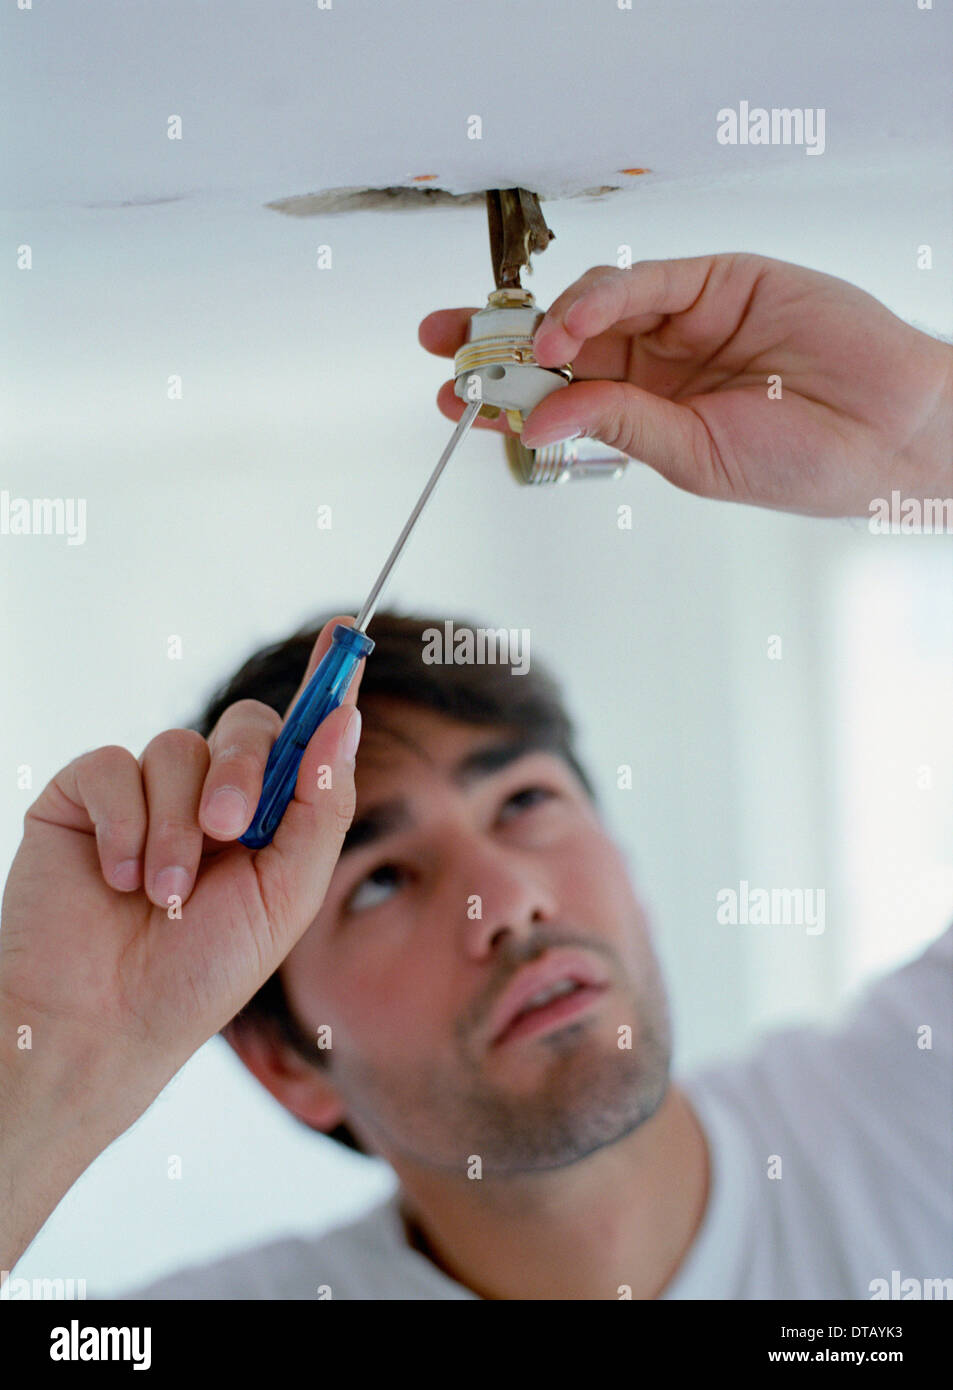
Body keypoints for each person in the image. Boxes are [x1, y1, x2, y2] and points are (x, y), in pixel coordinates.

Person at [1, 253, 950, 1300]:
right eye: (380, 879)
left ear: (624, 856)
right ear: (287, 1066)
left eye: (525, 802)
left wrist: (927, 436)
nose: (505, 899)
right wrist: (51, 1062)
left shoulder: (917, 1103)